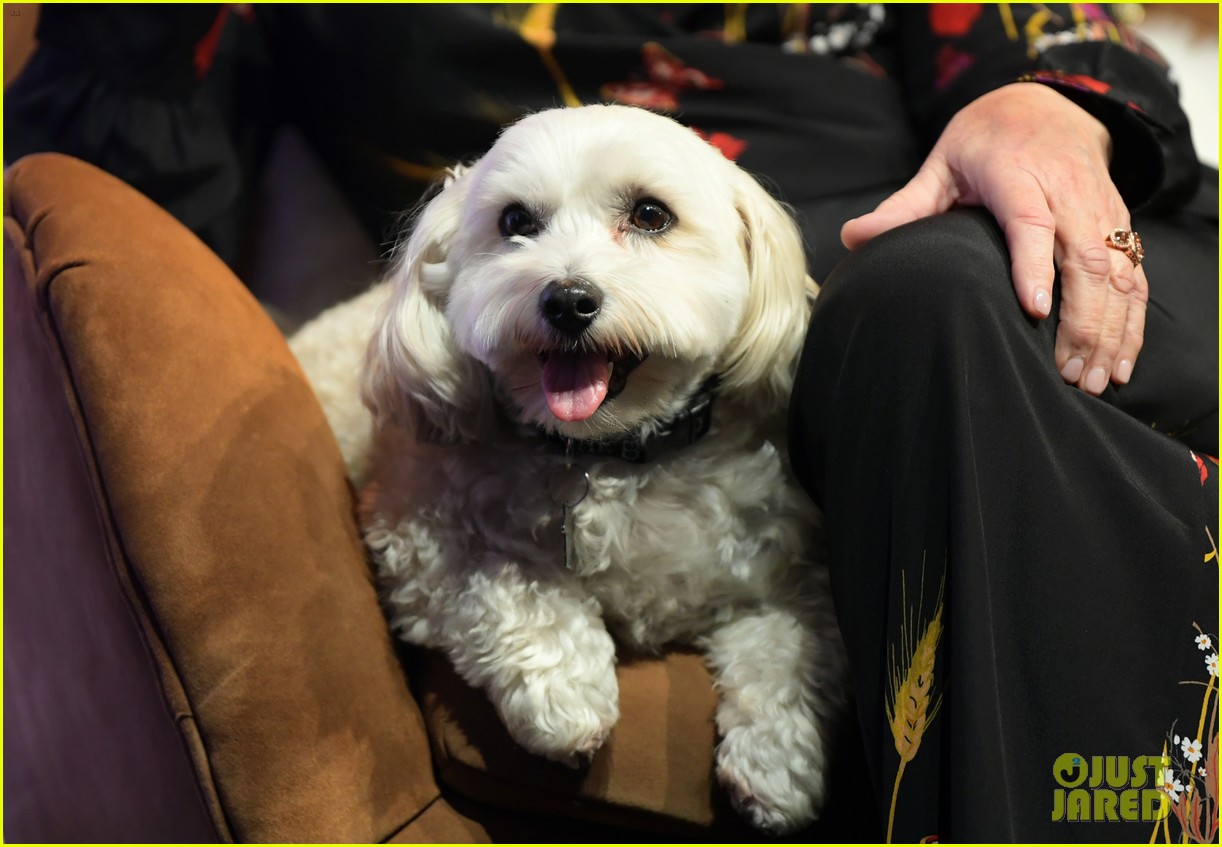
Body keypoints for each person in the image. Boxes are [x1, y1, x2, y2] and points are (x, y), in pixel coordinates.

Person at [7, 5, 1216, 841]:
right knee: (925, 310)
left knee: (923, 297)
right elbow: (115, 177)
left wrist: (1045, 108)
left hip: (939, 250)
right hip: (758, 358)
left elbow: (1049, 37)